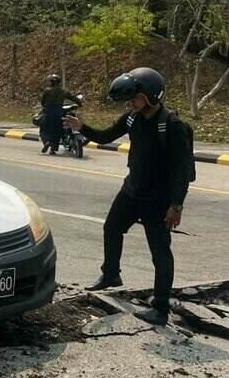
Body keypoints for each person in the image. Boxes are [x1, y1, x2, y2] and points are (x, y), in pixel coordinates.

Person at [63, 67, 192, 326]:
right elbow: (106, 136)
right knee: (112, 228)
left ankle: (161, 308)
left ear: (150, 96)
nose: (130, 104)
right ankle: (111, 274)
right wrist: (82, 127)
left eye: (134, 98)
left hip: (158, 200)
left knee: (160, 253)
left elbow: (183, 170)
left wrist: (176, 205)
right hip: (131, 191)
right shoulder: (133, 119)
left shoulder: (173, 126)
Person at [39, 74, 82, 155]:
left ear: (52, 82)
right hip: (58, 112)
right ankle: (53, 149)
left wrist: (45, 106)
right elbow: (73, 98)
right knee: (57, 129)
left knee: (44, 128)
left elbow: (43, 102)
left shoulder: (47, 91)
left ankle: (47, 142)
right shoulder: (63, 91)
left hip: (48, 112)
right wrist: (80, 104)